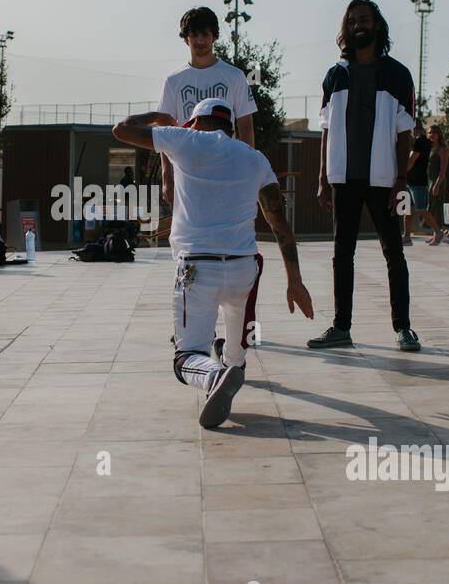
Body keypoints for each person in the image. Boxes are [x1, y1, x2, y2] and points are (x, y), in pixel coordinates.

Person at [112, 98, 313, 428]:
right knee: (237, 358)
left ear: (195, 123)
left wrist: (156, 117)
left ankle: (212, 376)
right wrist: (295, 281)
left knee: (186, 356)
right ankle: (229, 367)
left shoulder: (184, 139)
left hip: (198, 268)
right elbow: (280, 225)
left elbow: (121, 130)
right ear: (231, 128)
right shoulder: (255, 158)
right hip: (244, 271)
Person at [309, 0, 421, 352]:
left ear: (377, 25)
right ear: (347, 27)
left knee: (394, 253)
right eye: (353, 20)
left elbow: (406, 130)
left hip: (386, 180)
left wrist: (401, 180)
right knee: (342, 253)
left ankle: (403, 328)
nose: (359, 25)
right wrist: (323, 177)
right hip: (344, 178)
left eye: (365, 19)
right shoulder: (335, 75)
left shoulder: (398, 74)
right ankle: (341, 327)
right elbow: (326, 128)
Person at [157, 7, 257, 208]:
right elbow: (165, 130)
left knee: (224, 228)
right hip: (187, 169)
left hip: (225, 167)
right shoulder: (173, 81)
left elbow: (245, 125)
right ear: (186, 39)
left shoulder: (235, 76)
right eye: (194, 35)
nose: (200, 40)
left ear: (214, 37)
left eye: (205, 34)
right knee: (189, 234)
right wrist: (167, 174)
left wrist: (248, 167)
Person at [404, 119, 445, 244]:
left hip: (418, 181)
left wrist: (400, 175)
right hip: (410, 181)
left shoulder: (421, 141)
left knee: (421, 209)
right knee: (407, 210)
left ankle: (438, 232)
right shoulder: (421, 141)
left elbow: (411, 161)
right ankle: (406, 236)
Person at [425, 122, 449, 244]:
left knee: (437, 208)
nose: (432, 134)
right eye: (430, 132)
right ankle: (436, 233)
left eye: (434, 132)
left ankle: (439, 234)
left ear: (439, 134)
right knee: (431, 208)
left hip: (438, 181)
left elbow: (443, 170)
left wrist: (437, 185)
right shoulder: (428, 148)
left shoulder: (442, 149)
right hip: (429, 181)